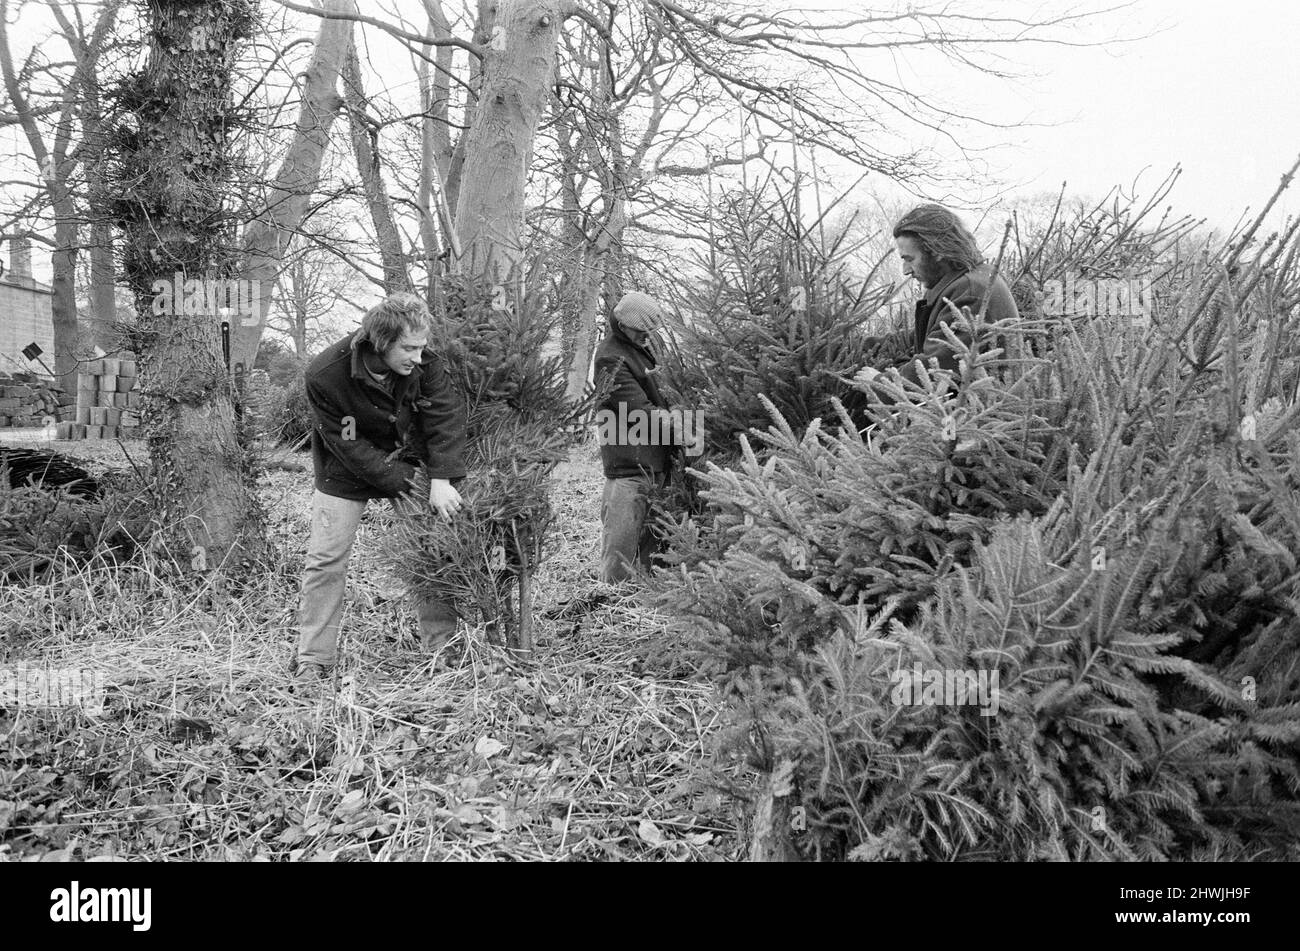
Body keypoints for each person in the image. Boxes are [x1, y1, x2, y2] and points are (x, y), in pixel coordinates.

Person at [292, 292, 467, 685]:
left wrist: (439, 479)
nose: (418, 358)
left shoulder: (426, 364)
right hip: (345, 470)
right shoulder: (326, 374)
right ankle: (314, 659)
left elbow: (445, 416)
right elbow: (349, 445)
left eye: (422, 348)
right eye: (408, 348)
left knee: (431, 552)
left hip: (414, 461)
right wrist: (415, 483)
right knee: (326, 560)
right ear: (381, 342)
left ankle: (443, 650)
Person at [856, 204, 1019, 408]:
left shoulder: (970, 291)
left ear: (937, 251)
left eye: (910, 259)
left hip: (974, 420)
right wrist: (857, 346)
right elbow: (926, 337)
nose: (906, 271)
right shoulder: (959, 282)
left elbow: (939, 367)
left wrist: (879, 383)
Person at [593, 291, 680, 583]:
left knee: (653, 535)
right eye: (641, 332)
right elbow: (640, 412)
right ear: (623, 325)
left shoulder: (648, 344)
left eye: (651, 332)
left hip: (658, 458)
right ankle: (611, 598)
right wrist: (686, 429)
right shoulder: (610, 358)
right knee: (621, 539)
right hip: (630, 462)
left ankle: (646, 591)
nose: (648, 337)